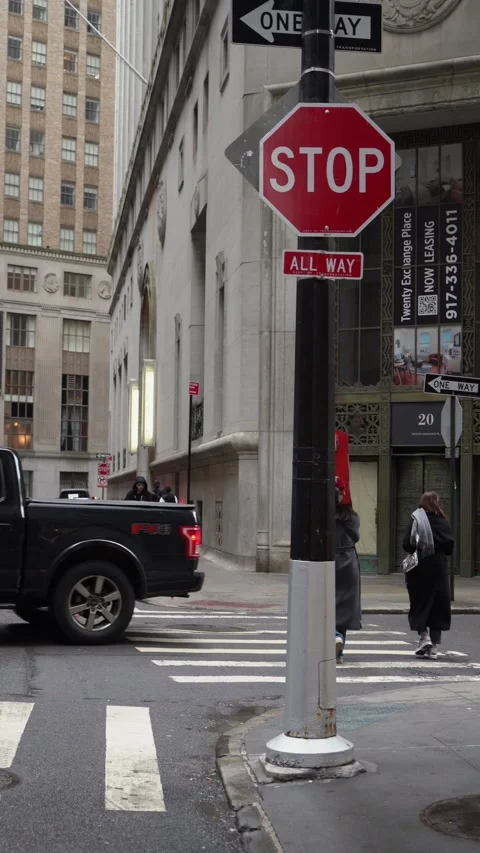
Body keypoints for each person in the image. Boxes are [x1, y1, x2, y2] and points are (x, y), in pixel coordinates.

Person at [402, 491, 454, 660]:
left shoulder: (416, 518)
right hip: (439, 566)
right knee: (438, 605)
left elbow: (407, 544)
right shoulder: (443, 521)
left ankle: (424, 637)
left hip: (420, 566)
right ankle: (435, 647)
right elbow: (449, 546)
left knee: (420, 602)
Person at [335, 477, 361, 664]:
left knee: (326, 603)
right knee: (344, 606)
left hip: (329, 560)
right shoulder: (351, 516)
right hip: (348, 562)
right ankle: (339, 649)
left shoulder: (321, 514)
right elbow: (356, 537)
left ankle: (334, 635)